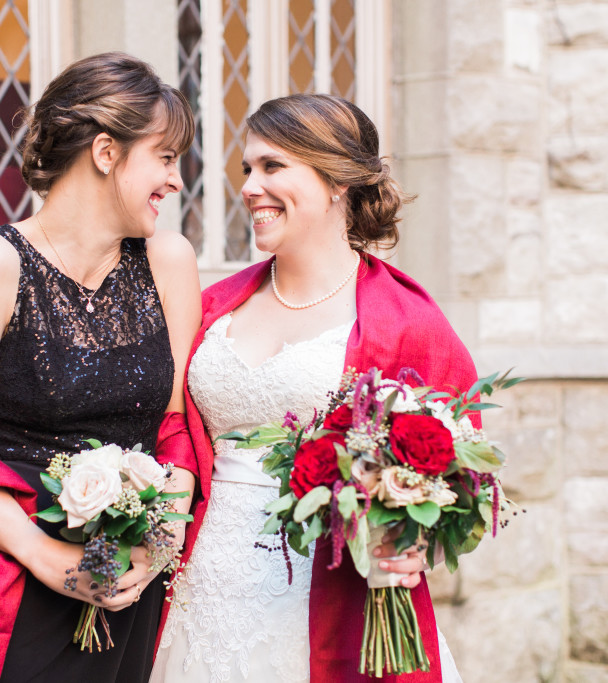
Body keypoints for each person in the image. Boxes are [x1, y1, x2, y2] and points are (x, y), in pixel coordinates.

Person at [151, 94, 473, 682]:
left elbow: (454, 461)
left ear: (338, 182)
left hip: (324, 588)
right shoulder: (214, 307)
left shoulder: (404, 321)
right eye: (248, 168)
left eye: (273, 167)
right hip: (201, 584)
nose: (250, 186)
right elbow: (167, 422)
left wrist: (410, 536)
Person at [0, 52, 201, 683]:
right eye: (165, 157)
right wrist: (43, 555)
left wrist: (161, 541)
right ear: (106, 152)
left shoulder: (170, 261)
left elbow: (177, 424)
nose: (176, 181)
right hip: (16, 580)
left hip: (131, 580)